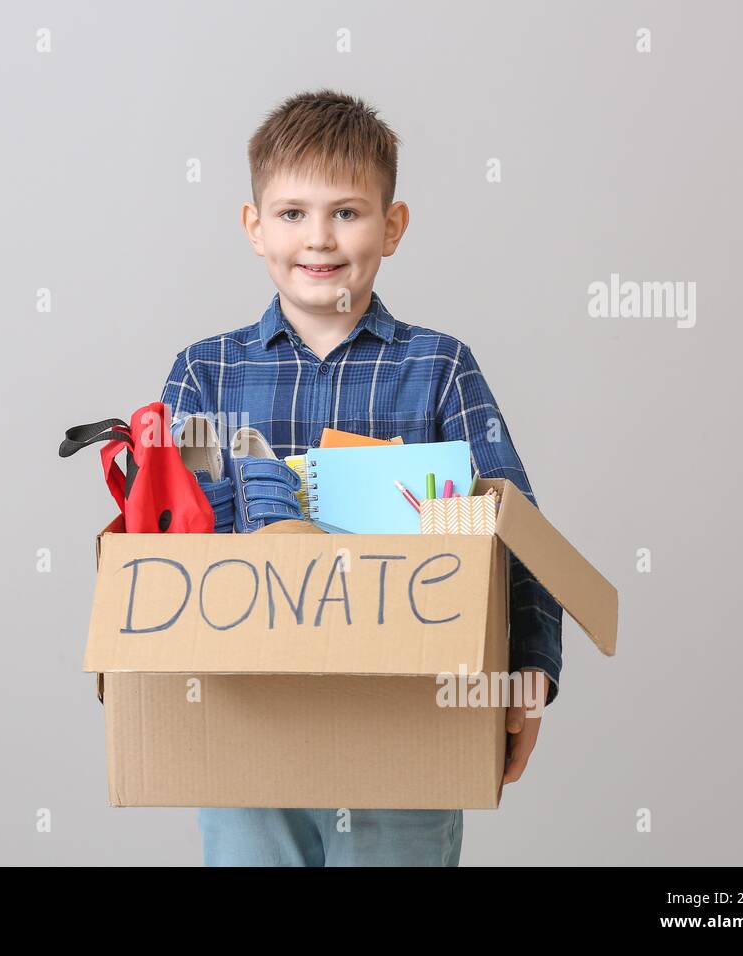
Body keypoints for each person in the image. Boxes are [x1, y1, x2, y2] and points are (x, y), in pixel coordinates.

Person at [159, 89, 561, 867]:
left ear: (393, 225)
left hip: (405, 725)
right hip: (249, 731)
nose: (319, 238)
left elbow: (517, 524)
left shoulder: (438, 367)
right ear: (254, 228)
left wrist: (530, 670)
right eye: (291, 214)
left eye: (347, 212)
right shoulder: (204, 374)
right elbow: (174, 539)